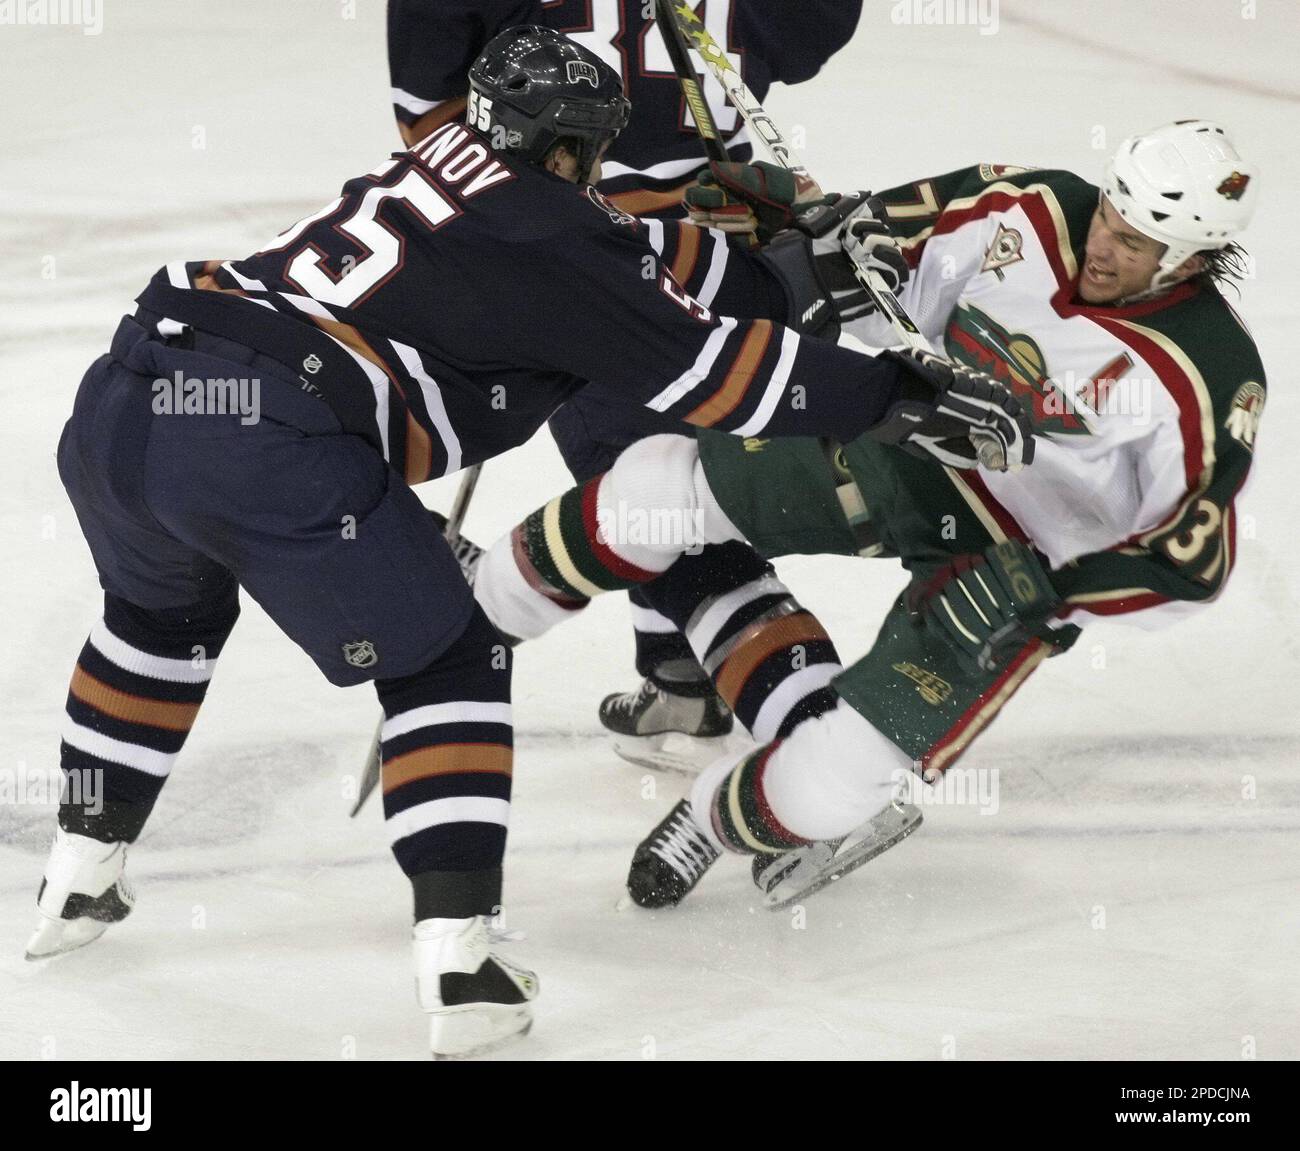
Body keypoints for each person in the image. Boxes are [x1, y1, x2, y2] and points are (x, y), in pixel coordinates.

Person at [27, 25, 1026, 1057]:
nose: (594, 173)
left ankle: (77, 875)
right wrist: (891, 394)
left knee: (156, 622)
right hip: (263, 439)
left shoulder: (437, 159)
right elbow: (714, 375)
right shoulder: (550, 235)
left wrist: (774, 272)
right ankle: (462, 962)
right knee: (447, 658)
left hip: (128, 400)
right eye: (589, 154)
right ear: (568, 152)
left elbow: (618, 254)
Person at [465, 120, 1266, 908]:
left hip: (1007, 573)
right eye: (1110, 221)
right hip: (919, 449)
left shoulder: (1209, 376)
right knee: (659, 486)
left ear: (1190, 261)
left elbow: (1187, 564)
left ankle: (714, 816)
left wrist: (1051, 594)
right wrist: (794, 237)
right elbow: (874, 258)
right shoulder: (1032, 204)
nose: (1102, 246)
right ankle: (484, 602)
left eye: (1134, 246)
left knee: (840, 781)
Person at [388, 1, 866, 756]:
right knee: (666, 483)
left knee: (654, 513)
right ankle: (680, 678)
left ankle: (820, 743)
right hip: (733, 253)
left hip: (584, 263)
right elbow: (812, 32)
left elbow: (432, 127)